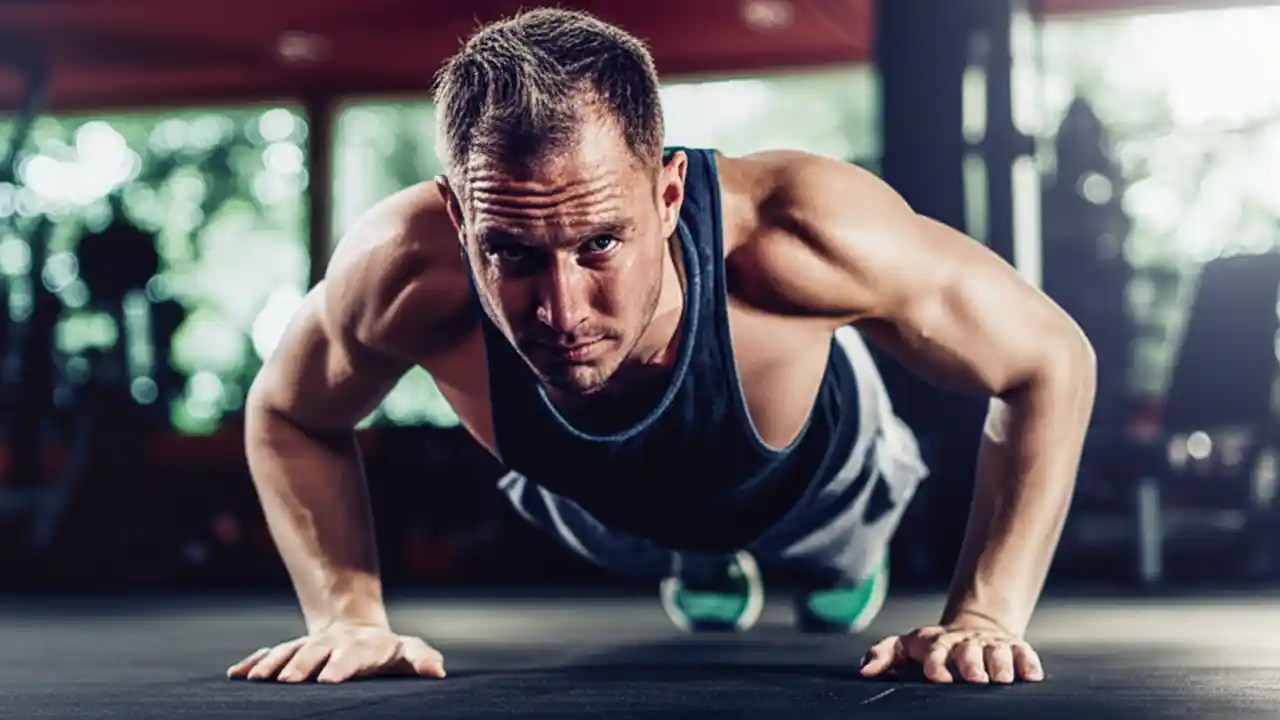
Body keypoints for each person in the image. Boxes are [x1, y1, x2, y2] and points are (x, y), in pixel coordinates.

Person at [226, 7, 1095, 687]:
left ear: (669, 193)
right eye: (513, 253)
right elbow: (287, 411)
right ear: (459, 217)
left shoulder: (800, 233)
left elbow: (1049, 358)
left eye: (600, 243)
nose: (560, 310)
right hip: (609, 516)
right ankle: (702, 558)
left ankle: (842, 559)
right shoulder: (403, 268)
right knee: (638, 525)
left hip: (827, 483)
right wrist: (348, 614)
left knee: (838, 563)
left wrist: (986, 614)